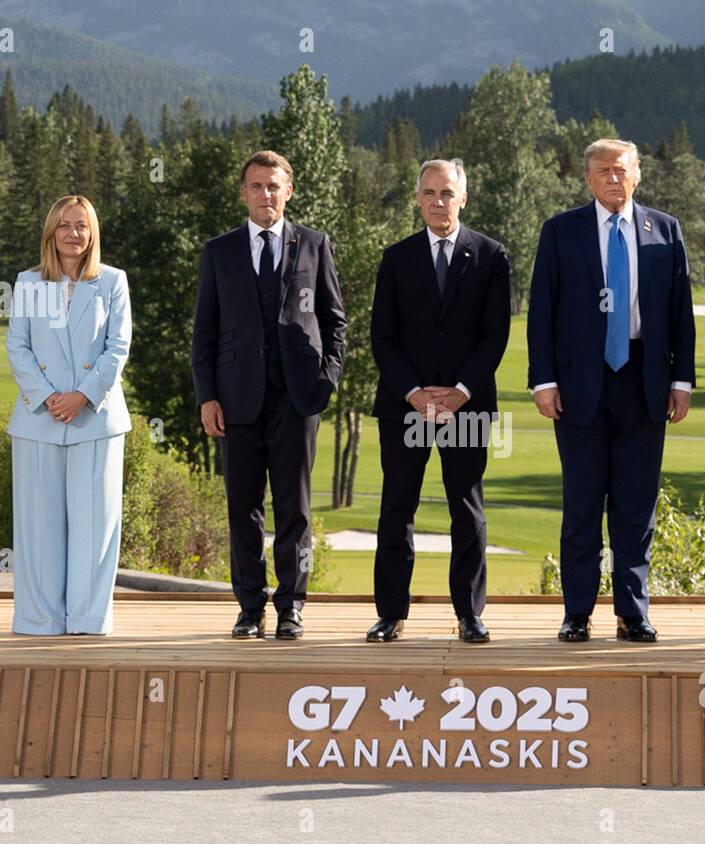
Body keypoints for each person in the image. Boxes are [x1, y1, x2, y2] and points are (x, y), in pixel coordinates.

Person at [526, 138, 696, 643]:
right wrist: (544, 380)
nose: (613, 179)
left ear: (637, 175)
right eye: (603, 170)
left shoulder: (665, 230)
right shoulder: (561, 231)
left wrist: (681, 380)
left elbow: (680, 313)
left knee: (635, 505)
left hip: (644, 379)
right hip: (580, 383)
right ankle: (576, 612)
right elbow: (542, 311)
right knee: (582, 502)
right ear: (588, 177)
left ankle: (633, 612)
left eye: (621, 170)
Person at [192, 150, 347, 640]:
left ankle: (292, 605)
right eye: (256, 186)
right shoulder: (220, 251)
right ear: (243, 193)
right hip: (236, 399)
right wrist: (207, 396)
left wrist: (328, 380)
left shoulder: (314, 245)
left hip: (298, 399)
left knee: (295, 509)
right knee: (243, 507)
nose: (265, 195)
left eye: (274, 186)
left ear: (289, 191)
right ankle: (249, 606)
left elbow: (335, 321)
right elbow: (205, 332)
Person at [366, 158, 511, 644]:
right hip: (405, 406)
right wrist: (414, 393)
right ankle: (391, 614)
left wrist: (459, 393)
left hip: (465, 407)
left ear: (463, 198)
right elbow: (382, 338)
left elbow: (495, 336)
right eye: (428, 192)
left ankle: (469, 614)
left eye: (446, 193)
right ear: (417, 198)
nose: (437, 201)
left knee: (466, 509)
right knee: (397, 508)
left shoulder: (491, 256)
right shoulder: (396, 258)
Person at [6, 196, 131, 635]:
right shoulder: (29, 283)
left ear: (92, 232)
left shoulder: (113, 282)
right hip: (39, 418)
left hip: (95, 418)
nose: (73, 233)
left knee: (94, 525)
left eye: (81, 225)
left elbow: (118, 348)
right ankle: (38, 618)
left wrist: (82, 395)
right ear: (50, 232)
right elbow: (17, 347)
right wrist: (48, 396)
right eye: (63, 225)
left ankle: (87, 618)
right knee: (39, 526)